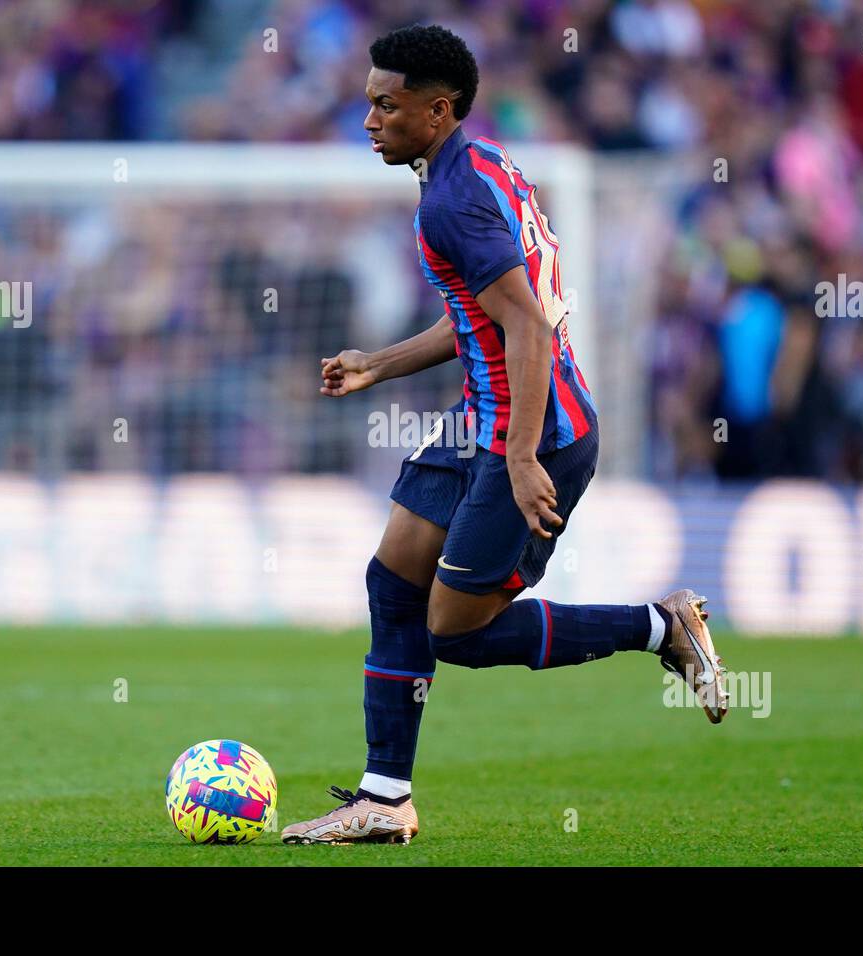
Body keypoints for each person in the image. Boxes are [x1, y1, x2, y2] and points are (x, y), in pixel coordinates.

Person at [282, 24, 728, 846]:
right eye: (370, 101)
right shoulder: (479, 165)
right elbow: (483, 316)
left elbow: (524, 325)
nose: (370, 118)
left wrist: (521, 456)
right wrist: (380, 363)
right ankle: (384, 800)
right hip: (483, 419)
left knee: (456, 630)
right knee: (392, 584)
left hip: (536, 430)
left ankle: (662, 627)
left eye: (387, 105)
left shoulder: (452, 199)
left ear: (438, 109)